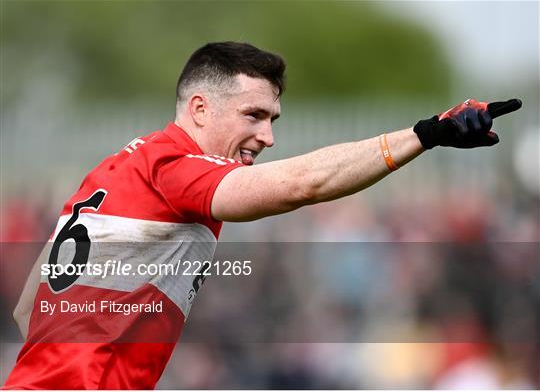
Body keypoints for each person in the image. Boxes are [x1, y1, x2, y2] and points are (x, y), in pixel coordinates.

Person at [3, 42, 522, 389]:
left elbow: (29, 308)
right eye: (253, 116)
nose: (268, 137)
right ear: (200, 109)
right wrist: (424, 135)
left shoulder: (114, 170)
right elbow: (302, 185)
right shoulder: (174, 166)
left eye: (272, 119)